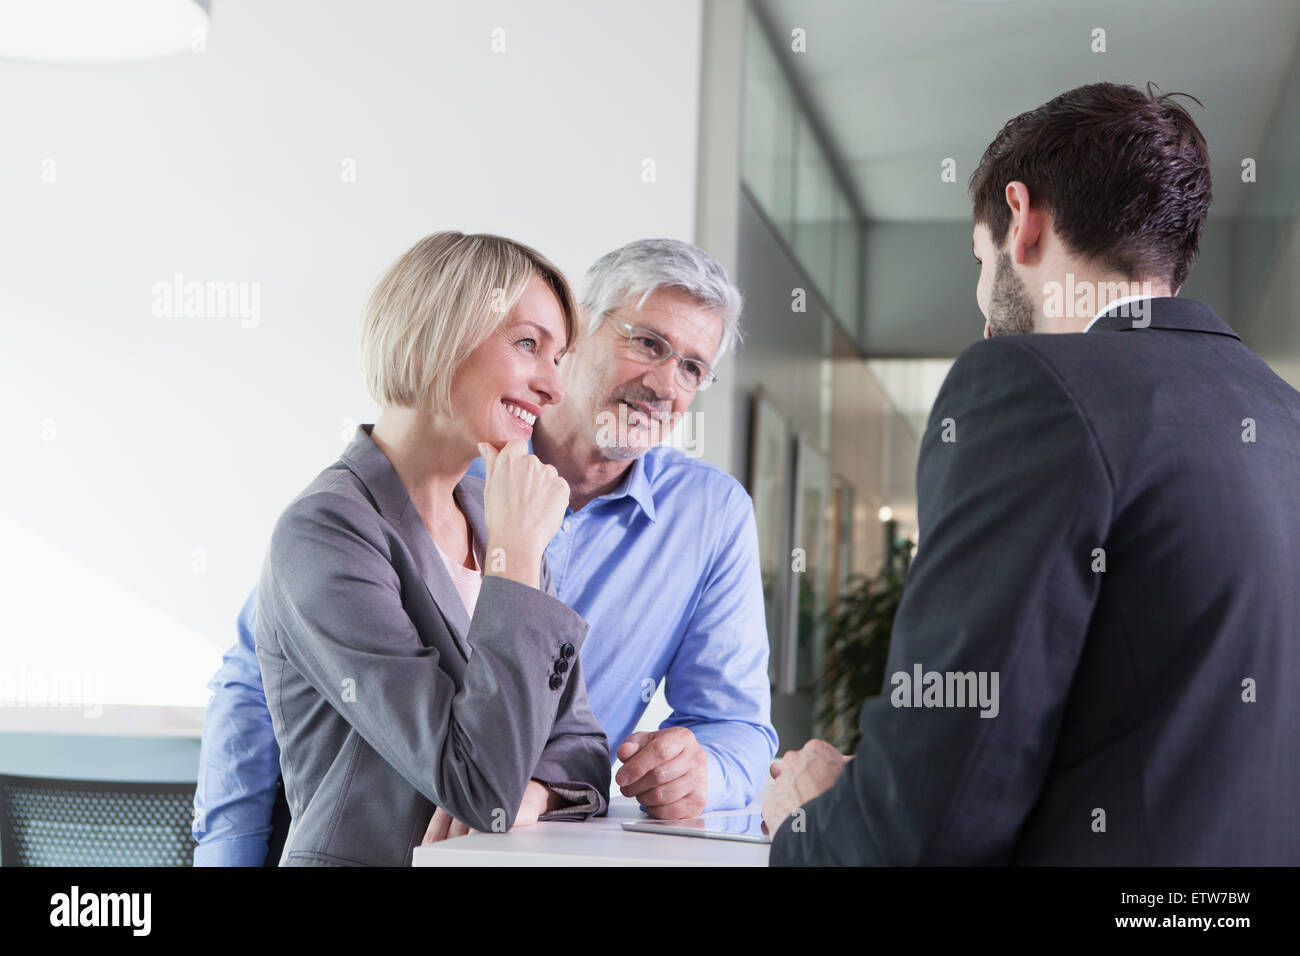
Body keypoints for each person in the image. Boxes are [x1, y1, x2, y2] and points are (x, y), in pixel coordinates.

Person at [764, 82, 1300, 865]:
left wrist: (814, 819)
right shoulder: (1284, 418)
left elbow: (928, 829)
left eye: (979, 262)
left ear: (1022, 218)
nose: (984, 311)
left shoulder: (1028, 386)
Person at [194, 238, 777, 865]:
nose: (666, 384)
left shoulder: (709, 514)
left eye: (693, 368)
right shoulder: (391, 499)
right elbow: (256, 678)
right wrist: (227, 854)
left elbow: (595, 748)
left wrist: (558, 789)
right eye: (648, 343)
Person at [251, 231, 610, 866]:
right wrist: (518, 556)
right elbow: (477, 782)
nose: (555, 388)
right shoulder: (326, 532)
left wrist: (536, 795)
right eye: (529, 345)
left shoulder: (492, 510)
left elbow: (579, 748)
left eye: (560, 359)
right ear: (435, 335)